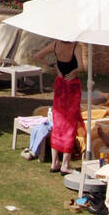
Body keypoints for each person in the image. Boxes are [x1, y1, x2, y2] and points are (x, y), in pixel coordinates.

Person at [37, 39, 86, 175]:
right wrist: (74, 72)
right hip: (72, 86)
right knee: (70, 124)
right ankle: (65, 164)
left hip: (60, 85)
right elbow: (82, 66)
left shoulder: (55, 44)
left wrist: (54, 66)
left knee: (58, 123)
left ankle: (54, 162)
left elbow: (37, 56)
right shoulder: (76, 46)